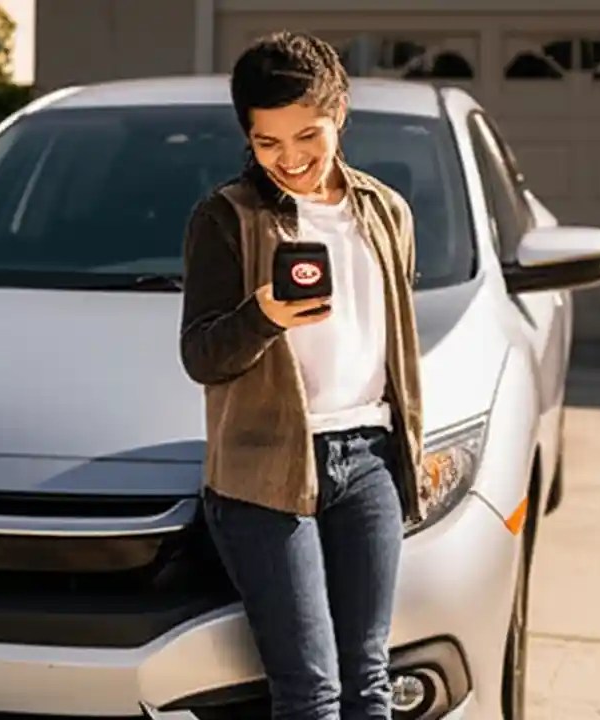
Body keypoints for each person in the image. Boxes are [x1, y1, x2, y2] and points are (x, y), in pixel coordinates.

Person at [178, 31, 425, 720]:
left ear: (340, 113)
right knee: (310, 693)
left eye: (307, 136)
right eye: (268, 144)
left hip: (368, 461)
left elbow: (394, 346)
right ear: (248, 139)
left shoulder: (386, 213)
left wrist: (413, 449)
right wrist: (263, 315)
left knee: (368, 679)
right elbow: (202, 355)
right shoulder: (225, 218)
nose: (291, 160)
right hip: (264, 474)